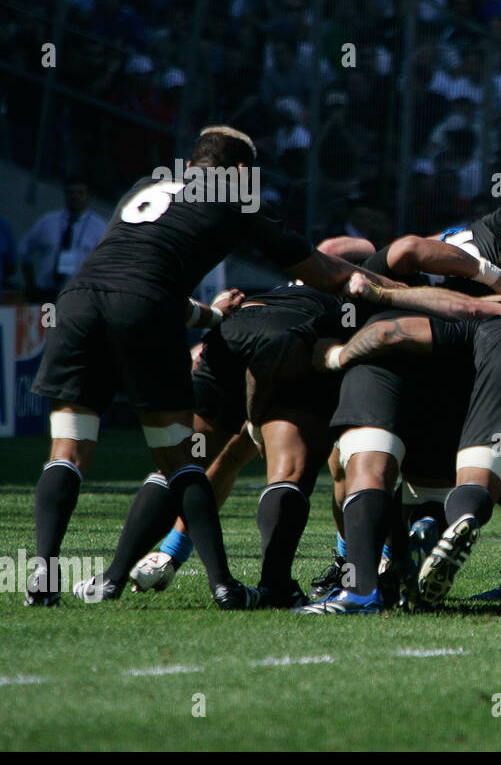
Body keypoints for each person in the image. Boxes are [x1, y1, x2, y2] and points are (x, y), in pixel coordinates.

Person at [25, 126, 390, 609]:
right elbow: (319, 271)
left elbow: (134, 274)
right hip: (146, 307)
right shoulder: (236, 194)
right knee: (180, 458)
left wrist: (212, 315)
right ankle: (222, 583)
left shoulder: (144, 187)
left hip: (78, 301)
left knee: (67, 450)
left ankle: (43, 579)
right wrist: (382, 289)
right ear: (241, 170)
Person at [19, 176, 108, 304]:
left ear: (89, 196)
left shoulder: (100, 228)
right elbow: (24, 251)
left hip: (78, 297)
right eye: (70, 192)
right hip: (44, 294)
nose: (74, 197)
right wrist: (30, 284)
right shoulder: (48, 221)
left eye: (80, 193)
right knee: (45, 324)